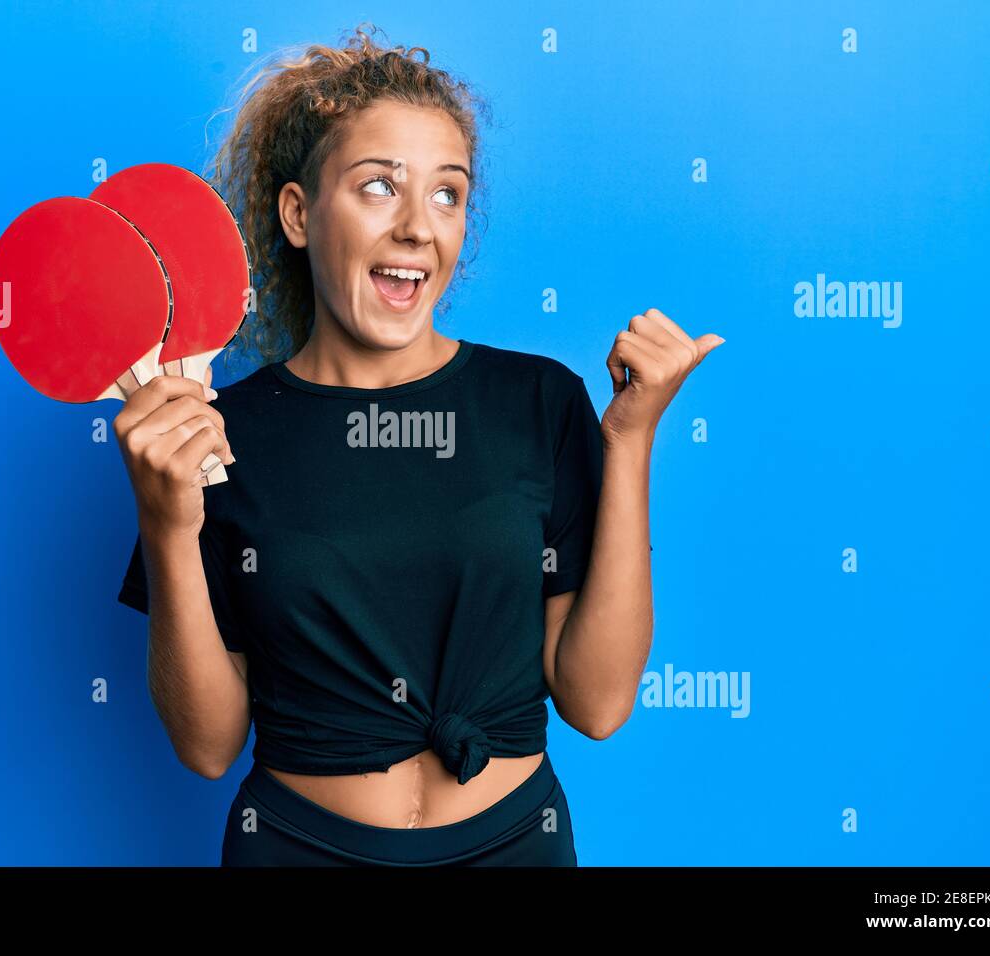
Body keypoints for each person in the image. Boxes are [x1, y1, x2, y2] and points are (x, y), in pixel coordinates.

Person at [113, 24, 723, 866]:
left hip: (516, 845)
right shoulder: (219, 433)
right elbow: (208, 746)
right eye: (377, 187)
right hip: (296, 847)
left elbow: (598, 701)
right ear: (297, 214)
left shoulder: (538, 401)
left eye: (447, 194)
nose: (416, 226)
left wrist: (628, 446)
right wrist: (166, 526)